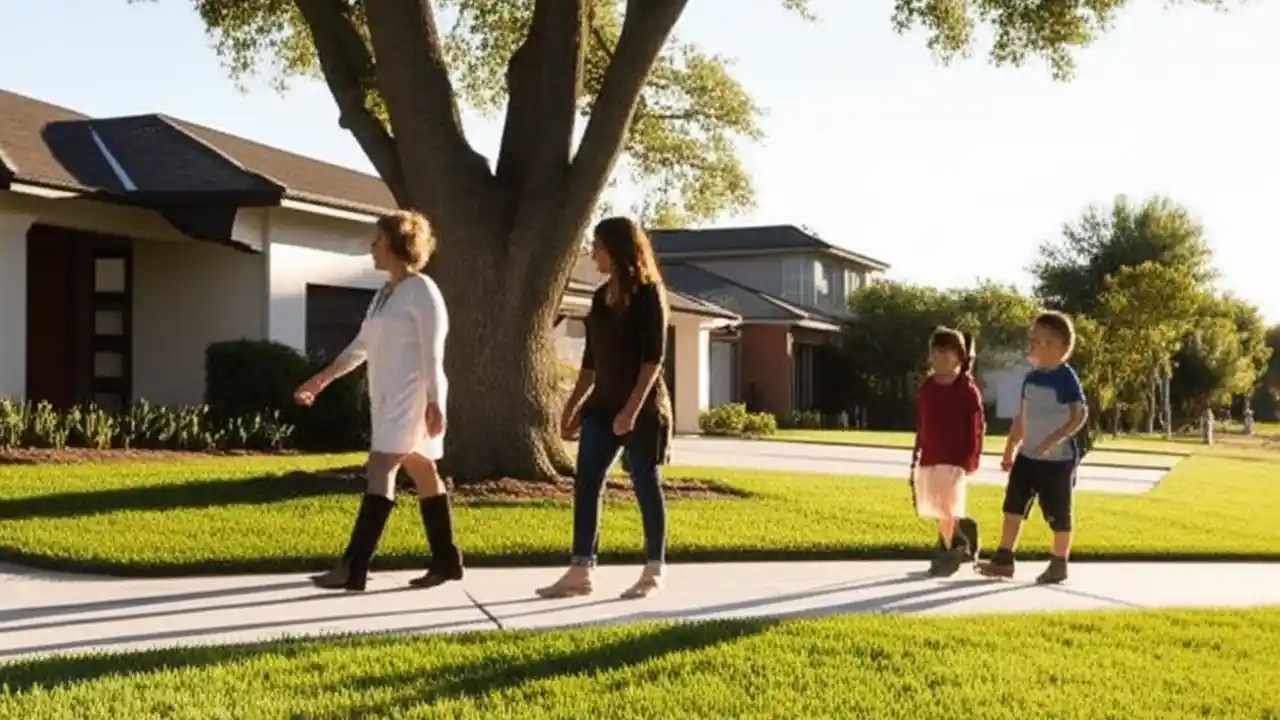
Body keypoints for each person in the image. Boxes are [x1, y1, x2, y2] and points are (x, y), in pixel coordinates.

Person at [292, 209, 462, 592]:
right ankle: (447, 561)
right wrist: (320, 380)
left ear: (398, 244)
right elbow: (360, 347)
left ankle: (354, 568)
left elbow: (433, 353)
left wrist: (435, 402)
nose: (372, 246)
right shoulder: (384, 295)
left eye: (378, 240)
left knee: (380, 467)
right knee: (422, 470)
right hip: (385, 398)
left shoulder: (422, 291)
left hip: (413, 397)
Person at [536, 216, 673, 600]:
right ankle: (581, 570)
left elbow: (653, 360)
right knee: (587, 480)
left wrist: (631, 410)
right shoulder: (600, 298)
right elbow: (591, 362)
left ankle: (653, 570)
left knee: (645, 481)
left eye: (596, 246)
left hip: (641, 407)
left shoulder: (649, 294)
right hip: (602, 405)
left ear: (614, 248)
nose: (592, 252)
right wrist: (571, 405)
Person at [977, 311, 1088, 584]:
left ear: (1057, 345)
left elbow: (1079, 415)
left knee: (1058, 513)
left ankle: (1059, 563)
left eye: (1037, 341)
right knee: (1013, 506)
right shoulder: (1032, 378)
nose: (1031, 346)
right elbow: (1022, 416)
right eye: (1032, 340)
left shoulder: (1065, 378)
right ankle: (1004, 559)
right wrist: (1010, 446)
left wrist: (1054, 440)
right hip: (1027, 456)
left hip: (1057, 461)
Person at [910, 327, 985, 577]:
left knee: (946, 504)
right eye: (935, 352)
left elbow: (976, 427)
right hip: (931, 454)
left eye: (946, 353)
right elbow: (923, 422)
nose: (939, 358)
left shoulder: (966, 390)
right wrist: (917, 452)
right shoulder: (928, 387)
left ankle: (950, 548)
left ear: (959, 357)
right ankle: (961, 532)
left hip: (955, 457)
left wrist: (972, 457)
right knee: (937, 505)